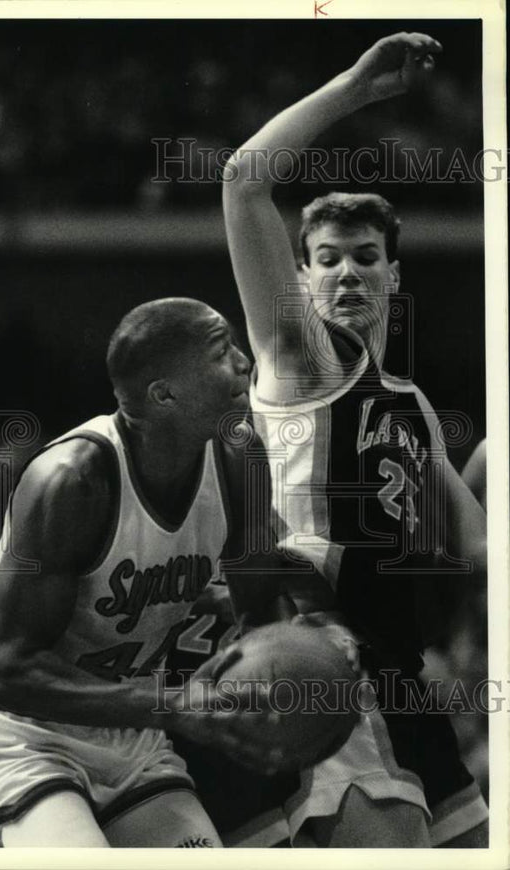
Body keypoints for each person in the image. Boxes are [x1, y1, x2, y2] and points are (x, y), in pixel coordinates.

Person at [222, 31, 488, 847]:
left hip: (399, 674)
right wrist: (352, 89)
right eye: (326, 259)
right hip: (324, 661)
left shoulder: (406, 401)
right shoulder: (306, 361)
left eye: (366, 258)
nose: (346, 273)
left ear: (393, 276)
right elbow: (241, 183)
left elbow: (471, 544)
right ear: (300, 279)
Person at [0, 297, 310, 848]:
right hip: (17, 735)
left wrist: (298, 662)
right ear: (164, 394)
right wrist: (171, 705)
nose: (244, 363)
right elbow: (9, 671)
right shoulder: (70, 482)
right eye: (222, 352)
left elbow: (258, 611)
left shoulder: (240, 458)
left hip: (132, 732)